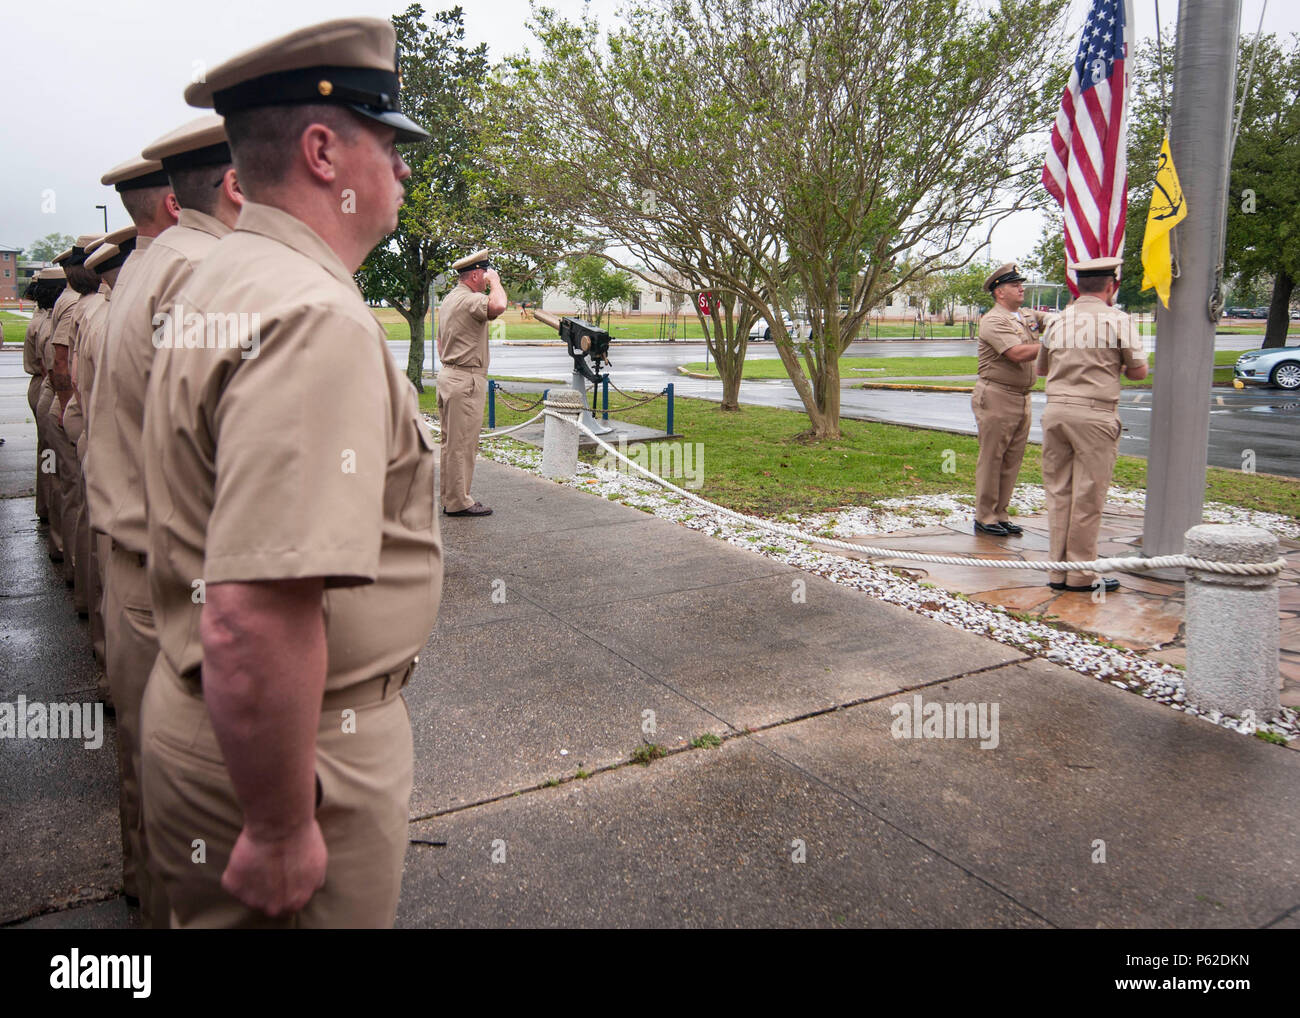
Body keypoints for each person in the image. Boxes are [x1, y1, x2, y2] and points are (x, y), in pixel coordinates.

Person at [140, 15, 442, 927]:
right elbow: (252, 615)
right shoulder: (313, 315)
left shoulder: (229, 271)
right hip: (296, 762)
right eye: (388, 143)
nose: (402, 169)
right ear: (321, 149)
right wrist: (279, 824)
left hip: (221, 733)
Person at [85, 115, 241, 929]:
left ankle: (144, 895)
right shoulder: (200, 270)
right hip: (175, 569)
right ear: (232, 186)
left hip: (129, 555)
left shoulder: (142, 268)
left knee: (144, 758)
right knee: (203, 800)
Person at [1037, 257, 1148, 593]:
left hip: (1056, 411)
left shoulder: (1057, 321)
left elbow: (1042, 368)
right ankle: (1082, 575)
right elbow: (1139, 371)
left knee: (1059, 493)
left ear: (1078, 286)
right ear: (1110, 286)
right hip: (1094, 413)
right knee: (1088, 496)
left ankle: (1058, 571)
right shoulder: (1118, 320)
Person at [972, 262, 1047, 537]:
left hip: (1021, 396)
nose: (1021, 288)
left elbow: (1055, 322)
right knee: (992, 458)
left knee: (1012, 459)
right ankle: (985, 516)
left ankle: (1000, 513)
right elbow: (1016, 353)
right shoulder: (994, 320)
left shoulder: (1025, 315)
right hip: (997, 395)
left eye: (1021, 284)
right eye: (1015, 285)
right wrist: (1053, 343)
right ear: (999, 292)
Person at [437, 249, 507, 516]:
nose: (486, 278)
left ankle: (452, 498)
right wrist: (496, 282)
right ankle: (459, 503)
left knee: (451, 445)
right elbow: (498, 305)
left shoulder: (449, 299)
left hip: (449, 375)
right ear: (476, 274)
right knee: (462, 445)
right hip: (465, 380)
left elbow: (441, 342)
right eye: (485, 274)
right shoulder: (469, 299)